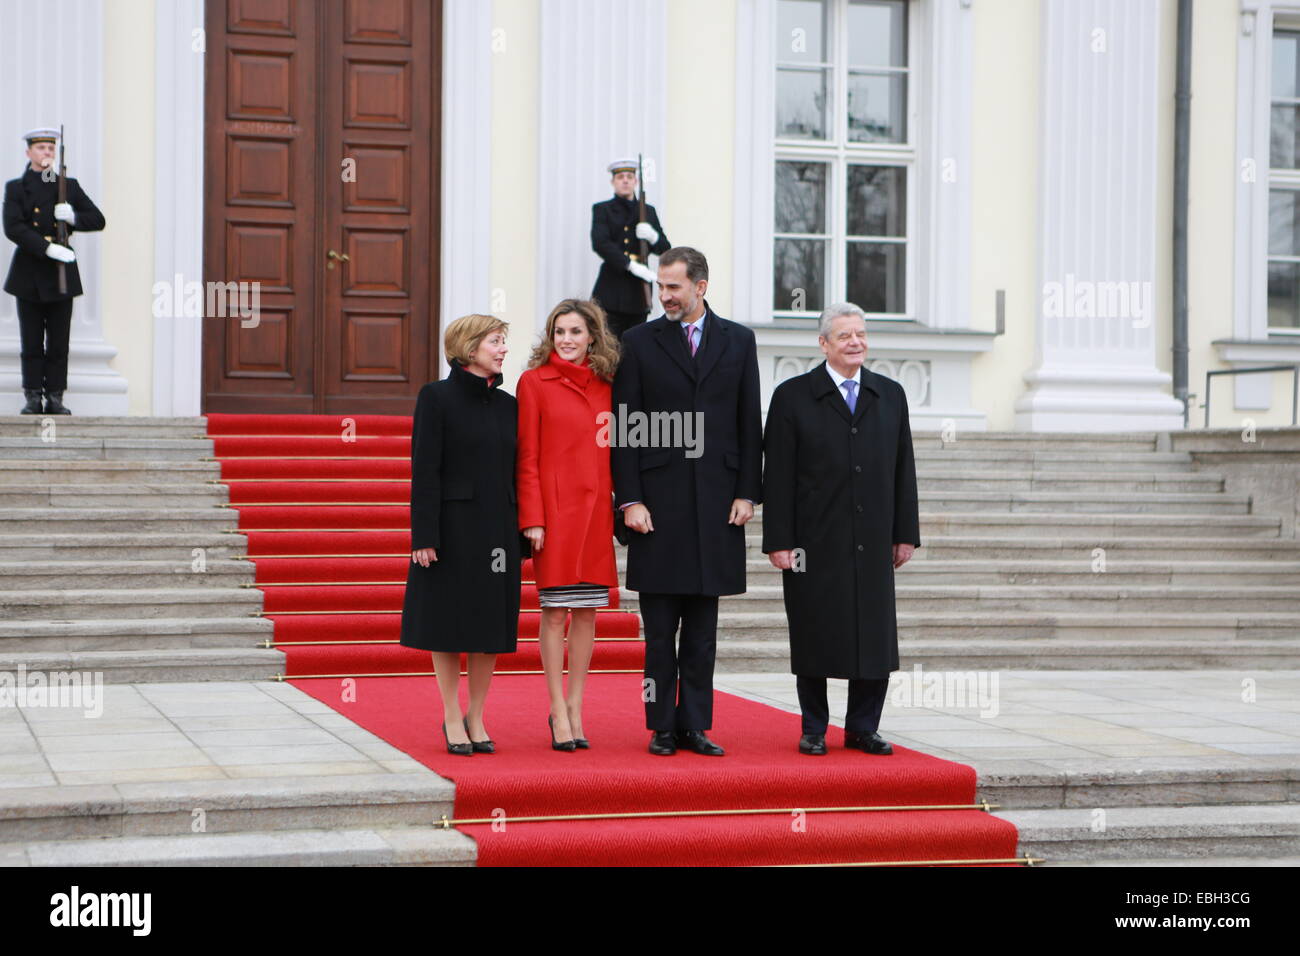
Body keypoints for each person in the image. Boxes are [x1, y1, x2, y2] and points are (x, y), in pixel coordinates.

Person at [612, 246, 762, 756]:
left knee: (702, 631)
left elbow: (749, 422)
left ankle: (695, 724)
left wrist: (747, 490)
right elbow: (626, 427)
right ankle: (661, 726)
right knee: (658, 631)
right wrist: (629, 498)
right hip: (657, 506)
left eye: (673, 287)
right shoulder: (637, 342)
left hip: (719, 505)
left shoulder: (739, 341)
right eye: (660, 286)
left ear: (701, 285)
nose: (664, 296)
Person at [760, 303, 921, 756]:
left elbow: (902, 467)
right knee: (814, 633)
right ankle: (814, 727)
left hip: (872, 539)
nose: (856, 342)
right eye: (845, 335)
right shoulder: (793, 397)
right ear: (824, 343)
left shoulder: (889, 395)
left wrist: (905, 532)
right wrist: (779, 541)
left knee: (873, 635)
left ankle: (863, 727)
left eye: (861, 334)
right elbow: (778, 476)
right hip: (814, 542)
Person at [399, 314, 520, 756]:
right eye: (496, 341)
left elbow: (517, 470)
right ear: (470, 348)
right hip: (452, 530)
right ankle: (452, 714)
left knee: (490, 626)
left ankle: (477, 715)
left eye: (504, 341)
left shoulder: (509, 405)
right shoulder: (436, 398)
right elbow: (425, 469)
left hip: (499, 531)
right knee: (448, 624)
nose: (503, 349)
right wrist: (423, 535)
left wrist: (521, 529)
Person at [516, 299, 620, 751]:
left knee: (587, 612)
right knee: (555, 611)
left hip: (596, 514)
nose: (566, 340)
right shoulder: (534, 382)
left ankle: (577, 706)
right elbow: (527, 457)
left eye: (575, 332)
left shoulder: (608, 386)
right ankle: (557, 708)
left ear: (592, 336)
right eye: (559, 331)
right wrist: (533, 518)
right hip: (556, 517)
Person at [3, 127, 106, 415]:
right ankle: (33, 396)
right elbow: (13, 227)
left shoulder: (68, 186)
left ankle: (56, 396)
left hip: (61, 272)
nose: (46, 153)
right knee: (31, 338)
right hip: (30, 270)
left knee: (59, 339)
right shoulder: (15, 187)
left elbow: (97, 219)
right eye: (40, 148)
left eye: (50, 148)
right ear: (29, 153)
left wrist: (73, 217)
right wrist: (46, 248)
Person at [590, 158, 670, 340]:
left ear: (636, 181)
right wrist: (630, 265)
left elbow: (665, 248)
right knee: (608, 343)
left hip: (638, 290)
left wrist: (653, 236)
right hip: (612, 285)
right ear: (613, 182)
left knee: (636, 342)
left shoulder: (648, 211)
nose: (625, 180)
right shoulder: (603, 209)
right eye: (620, 177)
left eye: (629, 176)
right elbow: (600, 243)